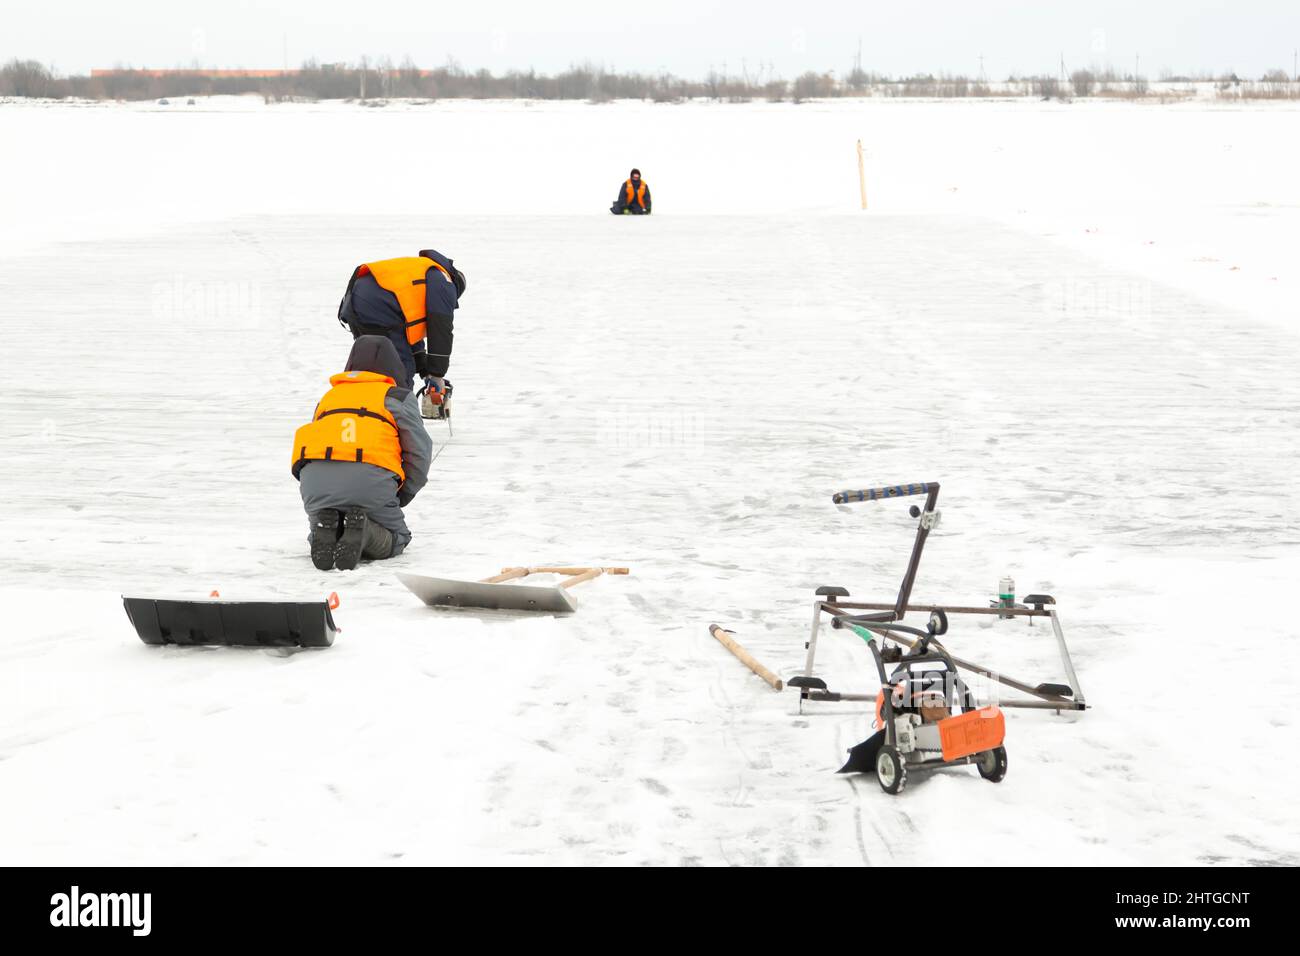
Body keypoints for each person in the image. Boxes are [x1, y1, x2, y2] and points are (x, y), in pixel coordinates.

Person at [291, 336, 434, 571]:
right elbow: (419, 451)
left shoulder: (329, 397)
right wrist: (402, 494)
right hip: (371, 485)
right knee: (398, 537)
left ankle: (328, 530)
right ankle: (366, 532)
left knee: (324, 521)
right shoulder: (396, 397)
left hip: (315, 486)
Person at [337, 249, 466, 418]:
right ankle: (402, 427)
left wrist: (425, 369)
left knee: (372, 367)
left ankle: (363, 415)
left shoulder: (423, 272)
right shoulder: (444, 281)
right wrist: (437, 375)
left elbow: (410, 330)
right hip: (380, 306)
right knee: (400, 370)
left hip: (355, 302)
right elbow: (440, 331)